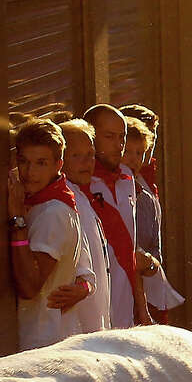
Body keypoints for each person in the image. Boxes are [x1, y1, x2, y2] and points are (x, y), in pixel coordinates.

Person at [6, 119, 95, 351]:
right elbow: (85, 268)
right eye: (23, 162)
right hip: (49, 339)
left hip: (41, 343)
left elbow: (29, 286)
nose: (29, 172)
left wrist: (18, 222)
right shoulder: (50, 201)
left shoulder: (53, 212)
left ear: (58, 165)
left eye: (41, 163)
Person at [82, 104, 150, 328]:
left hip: (125, 309)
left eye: (122, 137)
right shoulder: (79, 183)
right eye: (109, 136)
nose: (118, 145)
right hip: (92, 311)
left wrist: (142, 309)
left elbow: (128, 252)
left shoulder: (128, 178)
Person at [121, 117, 183, 321]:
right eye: (127, 152)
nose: (133, 159)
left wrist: (150, 263)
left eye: (139, 153)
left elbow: (155, 249)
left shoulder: (146, 198)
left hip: (149, 293)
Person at [58, 119, 112, 333]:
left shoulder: (80, 195)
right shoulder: (64, 200)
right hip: (77, 326)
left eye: (90, 155)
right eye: (76, 156)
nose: (86, 162)